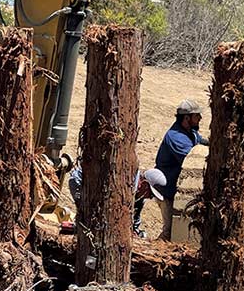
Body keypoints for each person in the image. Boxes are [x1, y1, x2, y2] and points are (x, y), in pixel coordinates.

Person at [154, 99, 208, 239]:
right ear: (187, 118)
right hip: (166, 190)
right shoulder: (176, 138)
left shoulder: (190, 131)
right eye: (197, 115)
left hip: (173, 186)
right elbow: (191, 159)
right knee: (170, 232)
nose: (200, 118)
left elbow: (200, 140)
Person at [67, 165, 166, 237]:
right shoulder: (123, 180)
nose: (150, 198)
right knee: (91, 220)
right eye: (151, 194)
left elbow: (135, 219)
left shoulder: (139, 196)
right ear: (144, 184)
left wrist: (134, 231)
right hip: (80, 183)